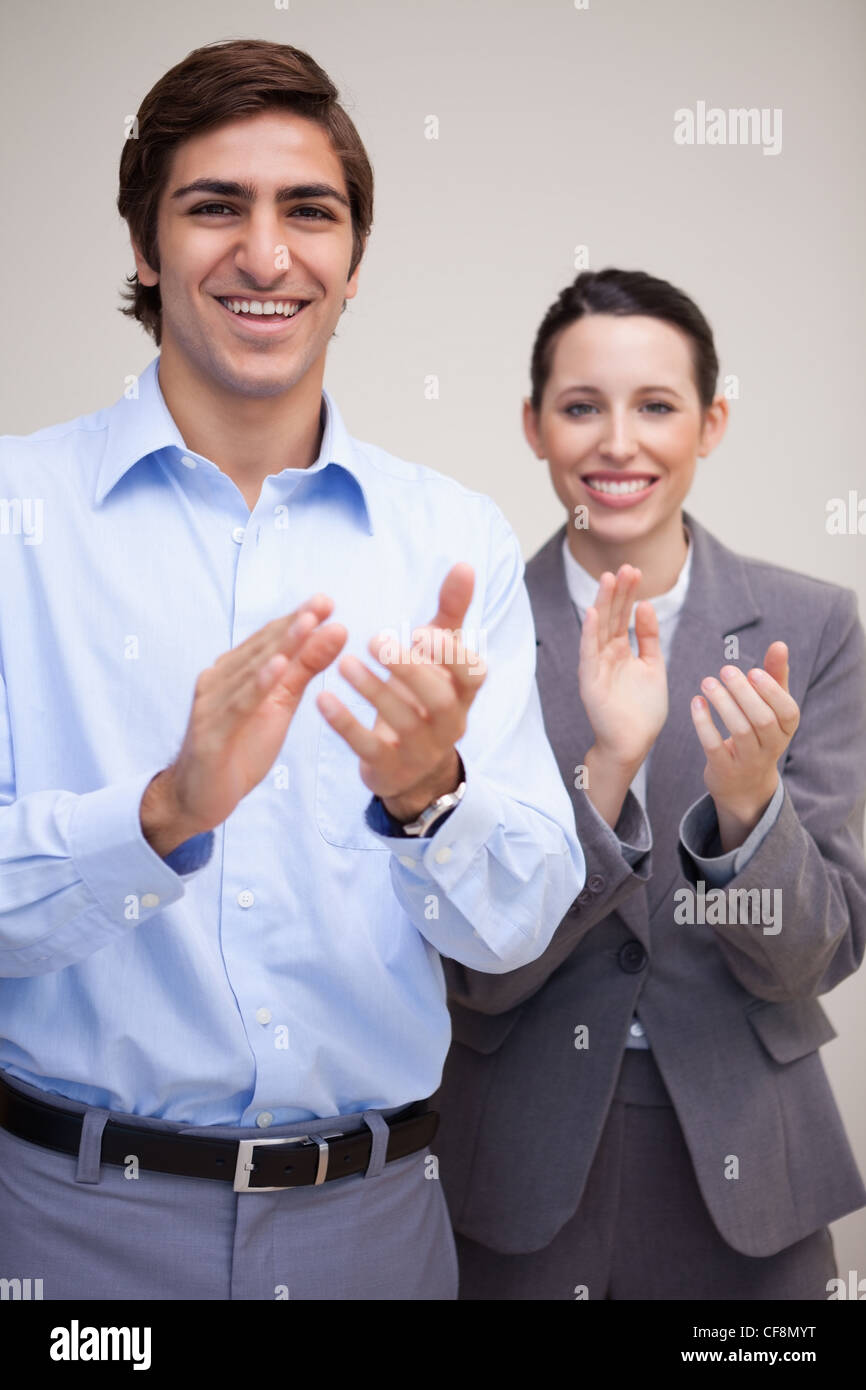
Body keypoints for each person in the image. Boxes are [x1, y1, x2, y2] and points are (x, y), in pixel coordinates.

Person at [0, 39, 587, 1302]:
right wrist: (161, 815)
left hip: (372, 1236)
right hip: (68, 1238)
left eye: (307, 212)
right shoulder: (12, 514)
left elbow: (519, 918)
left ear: (352, 262)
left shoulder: (451, 538)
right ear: (145, 249)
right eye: (215, 207)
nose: (266, 256)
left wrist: (431, 797)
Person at [434, 268, 866, 1300]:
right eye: (580, 406)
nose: (616, 443)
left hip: (747, 1160)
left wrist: (748, 809)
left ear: (710, 421)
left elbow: (814, 952)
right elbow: (465, 964)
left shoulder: (812, 625)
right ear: (532, 425)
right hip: (514, 1163)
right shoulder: (469, 633)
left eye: (656, 406)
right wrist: (606, 773)